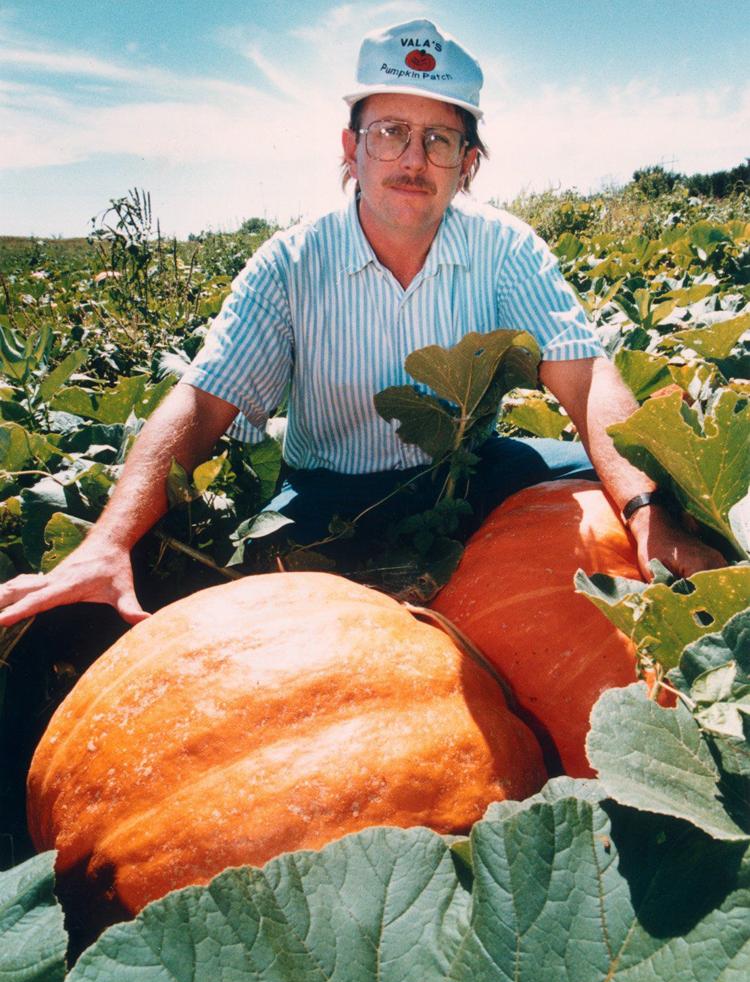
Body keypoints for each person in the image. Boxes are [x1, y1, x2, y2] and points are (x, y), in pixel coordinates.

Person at [0, 18, 723, 628]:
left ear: (467, 164)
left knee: (663, 492)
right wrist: (109, 540)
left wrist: (646, 505)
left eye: (440, 140)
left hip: (473, 471)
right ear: (350, 150)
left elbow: (585, 373)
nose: (414, 159)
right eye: (390, 133)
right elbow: (202, 402)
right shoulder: (291, 261)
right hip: (332, 497)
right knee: (279, 624)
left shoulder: (505, 248)